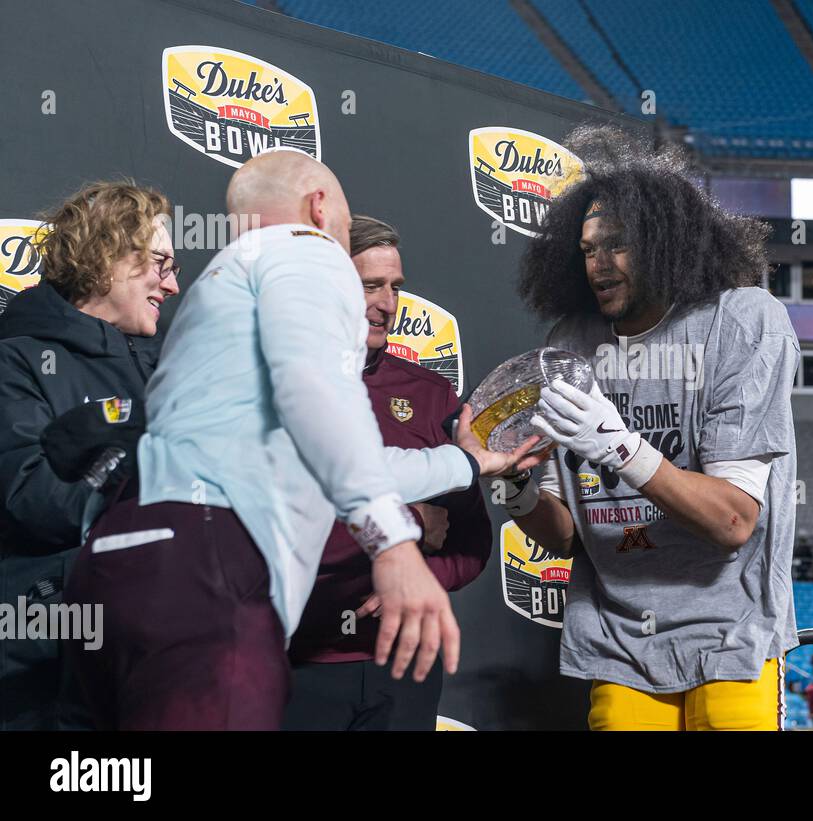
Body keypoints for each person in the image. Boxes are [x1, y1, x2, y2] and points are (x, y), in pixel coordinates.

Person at [63, 151, 537, 730]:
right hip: (215, 568)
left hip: (119, 566)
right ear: (319, 207)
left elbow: (331, 454)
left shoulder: (219, 293)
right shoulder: (309, 250)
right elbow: (315, 395)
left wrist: (464, 463)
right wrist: (390, 544)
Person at [476, 127, 799, 731]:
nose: (599, 263)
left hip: (730, 635)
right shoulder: (570, 346)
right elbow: (567, 538)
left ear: (666, 242)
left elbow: (733, 521)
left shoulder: (743, 320)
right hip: (617, 644)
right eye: (589, 249)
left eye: (618, 245)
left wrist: (621, 447)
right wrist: (513, 487)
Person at [282, 216, 492, 730]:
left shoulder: (430, 395)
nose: (388, 303)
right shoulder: (281, 386)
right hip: (298, 665)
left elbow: (471, 540)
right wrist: (410, 523)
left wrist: (418, 577)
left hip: (405, 668)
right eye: (369, 285)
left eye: (395, 286)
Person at [0, 180, 178, 729]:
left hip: (153, 668)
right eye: (160, 263)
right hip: (46, 674)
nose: (173, 284)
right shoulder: (18, 361)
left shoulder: (172, 369)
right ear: (107, 257)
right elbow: (33, 498)